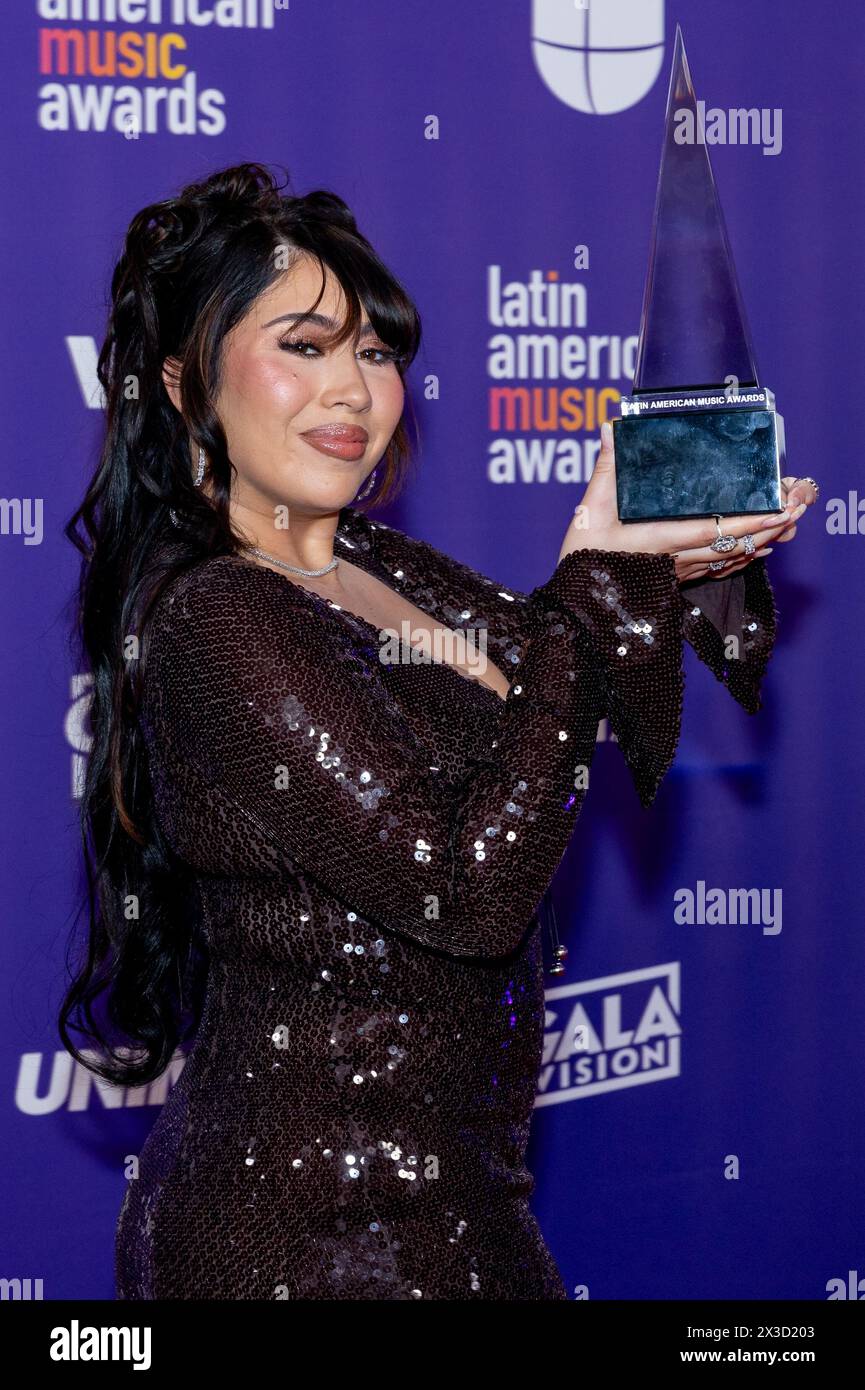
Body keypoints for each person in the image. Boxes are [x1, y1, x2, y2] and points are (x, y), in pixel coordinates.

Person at [60, 163, 817, 1301]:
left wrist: (659, 567)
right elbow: (463, 886)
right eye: (304, 346)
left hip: (459, 1209)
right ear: (183, 385)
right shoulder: (215, 617)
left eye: (374, 352)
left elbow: (550, 690)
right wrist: (595, 585)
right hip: (304, 1240)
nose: (355, 389)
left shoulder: (364, 561)